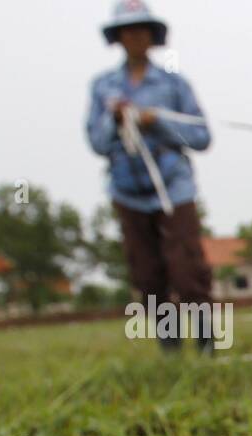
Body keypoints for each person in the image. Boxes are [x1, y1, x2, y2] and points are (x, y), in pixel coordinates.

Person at [87, 1, 215, 351]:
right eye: (128, 30)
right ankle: (169, 345)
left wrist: (156, 120)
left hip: (174, 188)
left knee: (187, 269)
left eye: (142, 29)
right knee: (146, 274)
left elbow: (202, 136)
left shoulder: (174, 84)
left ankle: (206, 343)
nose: (135, 36)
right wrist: (115, 121)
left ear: (152, 36)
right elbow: (97, 143)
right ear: (118, 37)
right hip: (127, 191)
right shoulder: (103, 88)